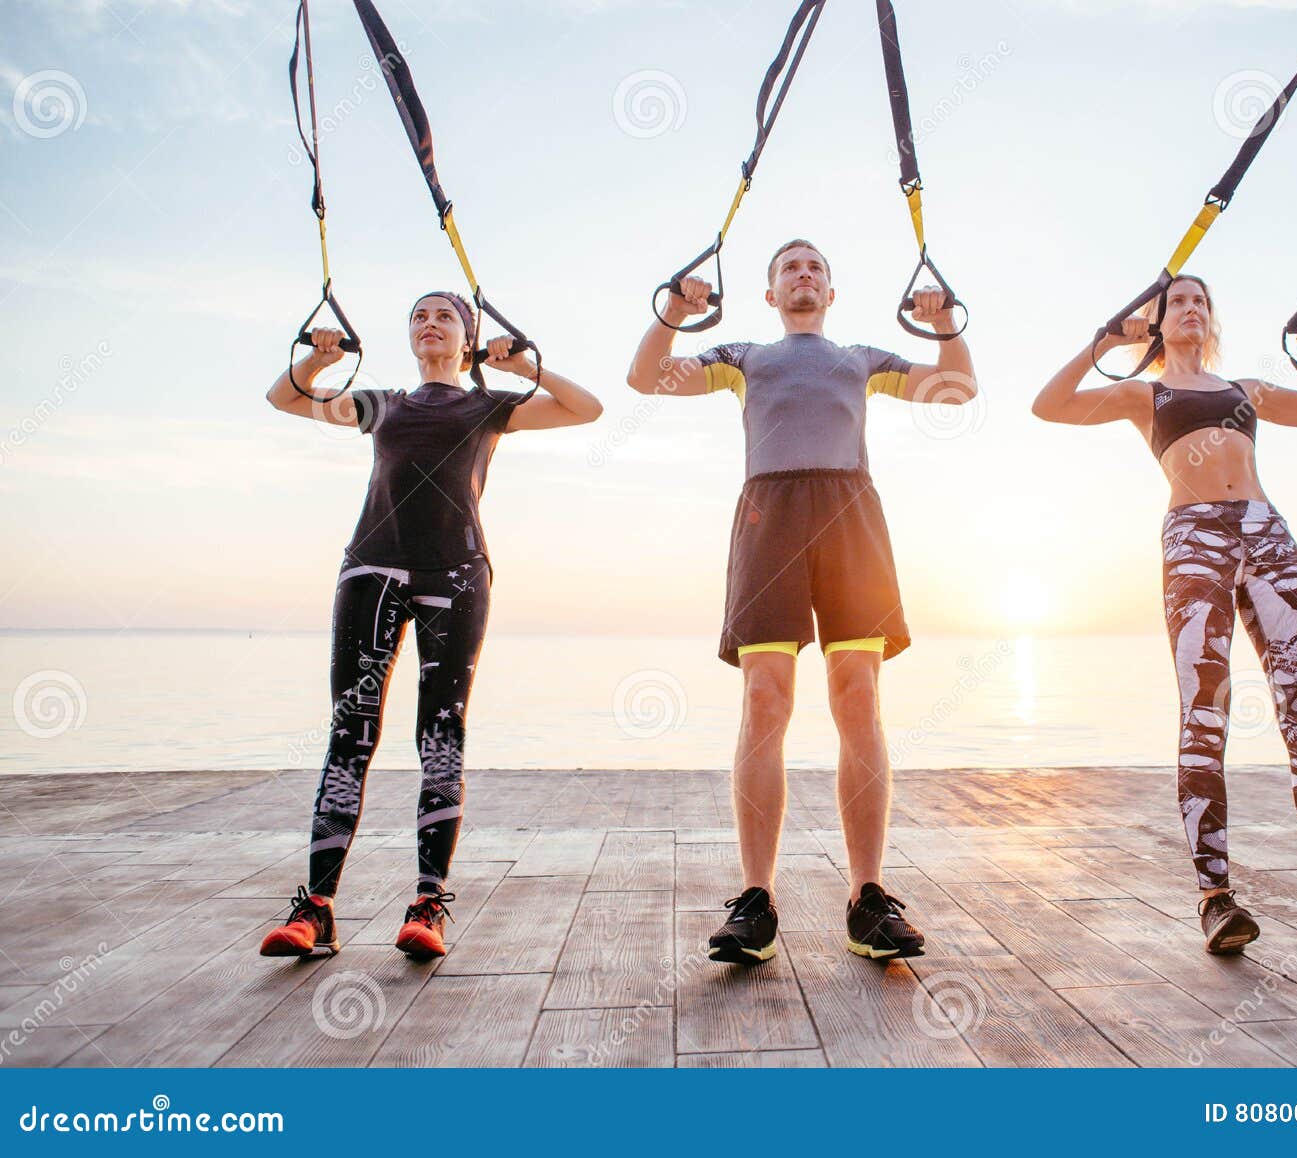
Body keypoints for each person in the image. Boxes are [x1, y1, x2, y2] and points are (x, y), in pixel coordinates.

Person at [1032, 275, 1297, 955]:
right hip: (1193, 536)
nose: (1192, 309)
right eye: (1178, 301)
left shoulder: (1245, 391)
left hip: (1267, 534)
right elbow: (1047, 405)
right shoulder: (1142, 392)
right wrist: (1102, 344)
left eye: (1201, 302)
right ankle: (1215, 899)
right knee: (1204, 709)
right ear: (1155, 323)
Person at [627, 240, 977, 963]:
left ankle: (868, 898)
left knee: (857, 699)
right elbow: (645, 378)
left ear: (832, 290)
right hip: (769, 516)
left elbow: (958, 387)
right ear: (769, 293)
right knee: (765, 700)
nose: (804, 274)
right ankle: (756, 901)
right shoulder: (744, 355)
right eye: (790, 267)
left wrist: (945, 325)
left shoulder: (863, 358)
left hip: (850, 513)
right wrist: (674, 313)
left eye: (816, 266)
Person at [258, 291, 602, 959]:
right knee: (350, 733)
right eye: (417, 316)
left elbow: (587, 409)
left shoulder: (488, 405)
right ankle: (318, 907)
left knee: (440, 733)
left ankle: (427, 903)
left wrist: (527, 366)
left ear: (468, 339)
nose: (428, 324)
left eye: (443, 316)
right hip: (372, 571)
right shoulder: (381, 403)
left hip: (456, 574)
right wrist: (316, 358)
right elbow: (286, 399)